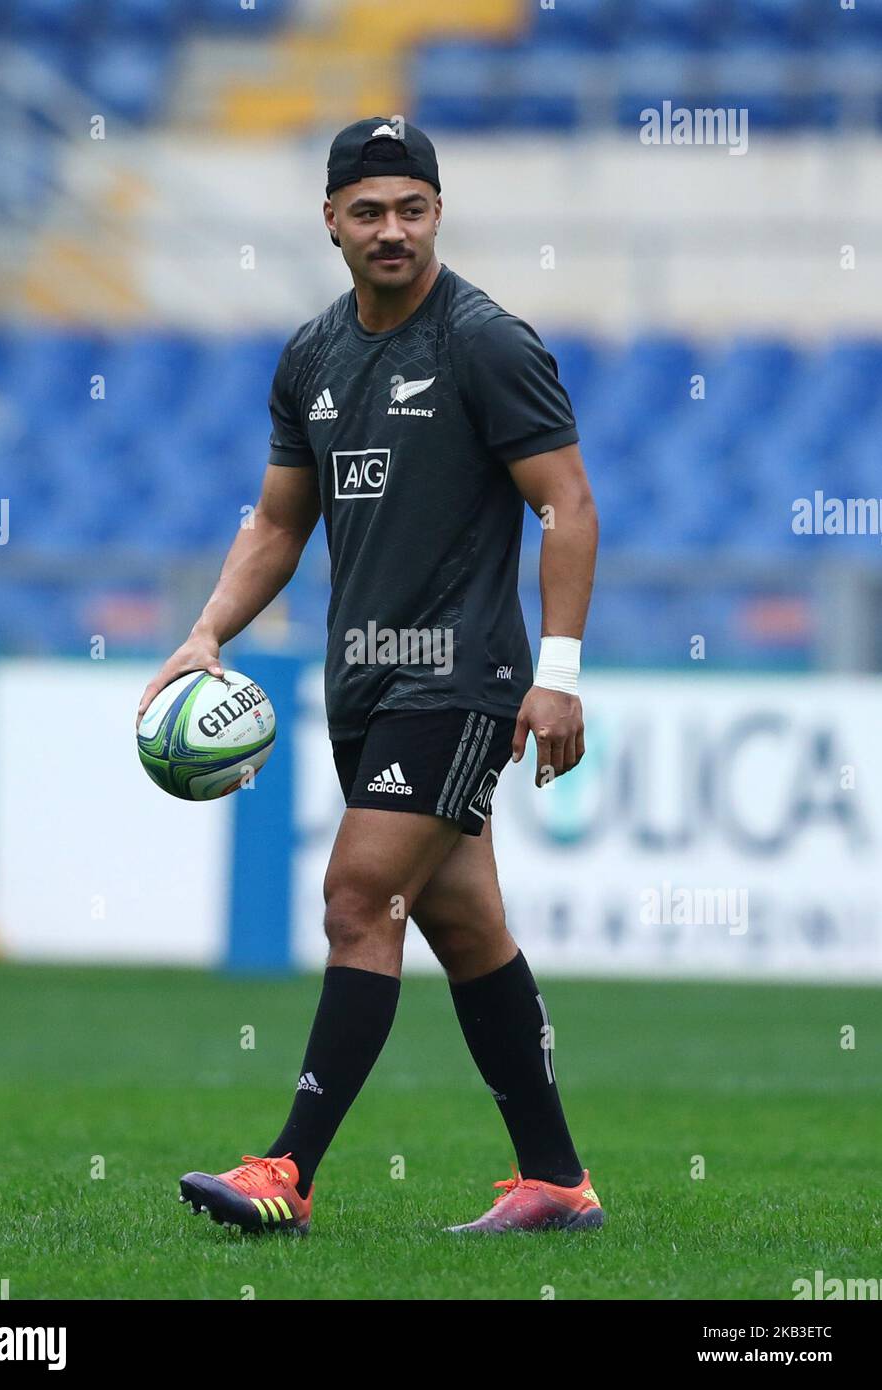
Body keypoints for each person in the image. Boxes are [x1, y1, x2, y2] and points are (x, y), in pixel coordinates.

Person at [138, 116, 601, 1236]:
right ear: (331, 221)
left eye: (411, 208)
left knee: (357, 898)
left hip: (461, 679)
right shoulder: (311, 357)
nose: (391, 230)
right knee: (468, 929)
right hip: (363, 686)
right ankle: (556, 1181)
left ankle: (286, 1172)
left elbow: (568, 503)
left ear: (436, 212)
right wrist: (207, 633)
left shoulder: (485, 342)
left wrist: (559, 672)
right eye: (368, 211)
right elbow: (279, 523)